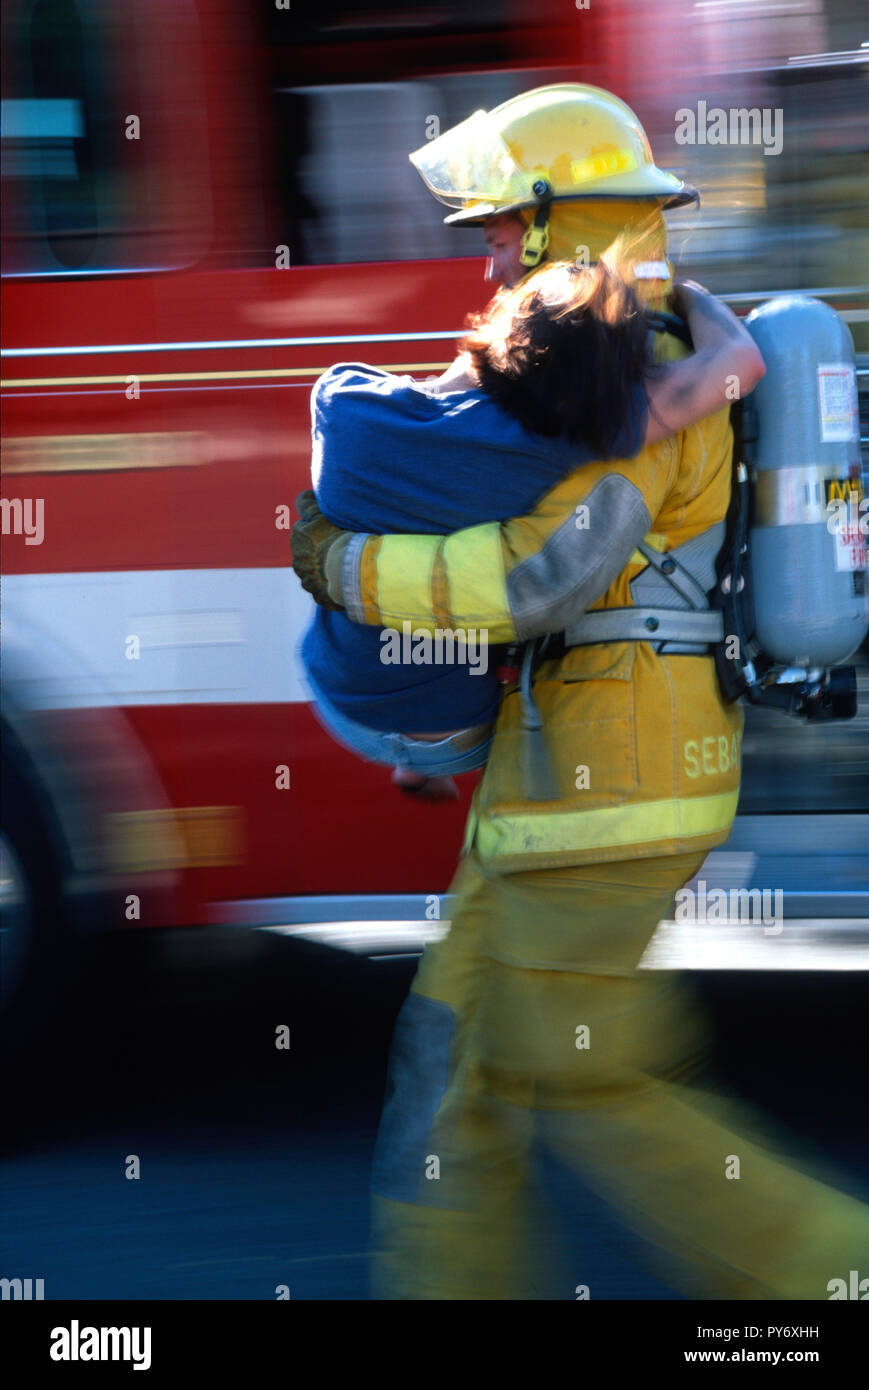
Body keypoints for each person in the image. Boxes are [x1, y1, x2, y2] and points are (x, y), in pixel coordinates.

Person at [293, 84, 869, 1299]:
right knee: (453, 1061)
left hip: (603, 801)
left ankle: (835, 1277)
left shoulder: (633, 372)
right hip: (560, 789)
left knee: (589, 1080)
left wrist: (341, 567)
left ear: (567, 223)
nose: (487, 250)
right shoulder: (623, 360)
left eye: (504, 227)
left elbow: (537, 575)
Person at [299, 258, 764, 802]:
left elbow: (442, 388)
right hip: (462, 731)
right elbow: (742, 362)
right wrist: (685, 291)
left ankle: (410, 766)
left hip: (338, 698)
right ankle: (424, 763)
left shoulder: (345, 405)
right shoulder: (577, 442)